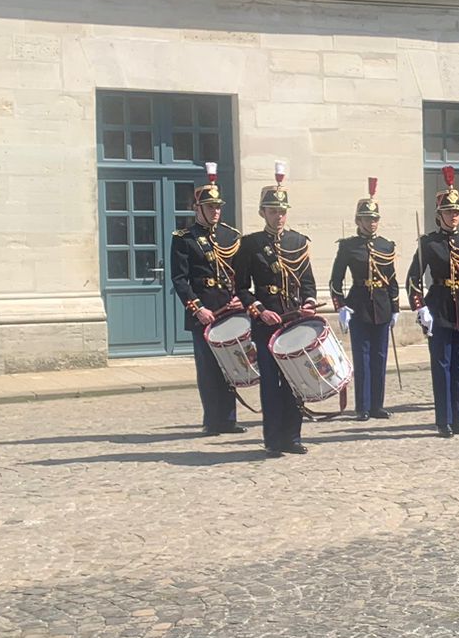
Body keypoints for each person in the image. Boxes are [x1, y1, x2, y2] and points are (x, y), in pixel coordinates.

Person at [234, 163, 319, 458]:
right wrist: (257, 309)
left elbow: (308, 283)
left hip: (294, 321)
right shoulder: (249, 245)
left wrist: (308, 302)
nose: (278, 216)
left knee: (296, 380)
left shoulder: (298, 242)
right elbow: (241, 287)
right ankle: (272, 438)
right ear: (262, 213)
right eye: (272, 211)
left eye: (282, 211)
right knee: (271, 382)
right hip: (266, 322)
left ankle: (292, 437)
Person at [406, 167, 459, 438]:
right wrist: (420, 308)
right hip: (438, 307)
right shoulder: (429, 243)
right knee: (442, 366)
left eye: (457, 212)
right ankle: (444, 420)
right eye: (449, 212)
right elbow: (413, 278)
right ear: (439, 215)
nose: (454, 217)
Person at [170, 163, 243, 436]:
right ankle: (213, 420)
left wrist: (239, 299)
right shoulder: (184, 238)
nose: (216, 211)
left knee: (231, 364)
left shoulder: (230, 236)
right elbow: (179, 279)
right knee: (208, 368)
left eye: (218, 207)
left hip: (229, 309)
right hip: (204, 311)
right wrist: (197, 308)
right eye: (210, 207)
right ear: (197, 208)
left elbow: (239, 272)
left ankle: (230, 419)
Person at [328, 178, 399, 421]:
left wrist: (396, 307)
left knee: (380, 357)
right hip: (358, 304)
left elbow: (391, 279)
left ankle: (377, 405)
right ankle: (363, 406)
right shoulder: (349, 247)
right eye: (367, 219)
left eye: (375, 218)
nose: (372, 223)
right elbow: (335, 281)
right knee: (363, 356)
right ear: (358, 221)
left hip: (381, 305)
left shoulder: (386, 245)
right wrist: (341, 307)